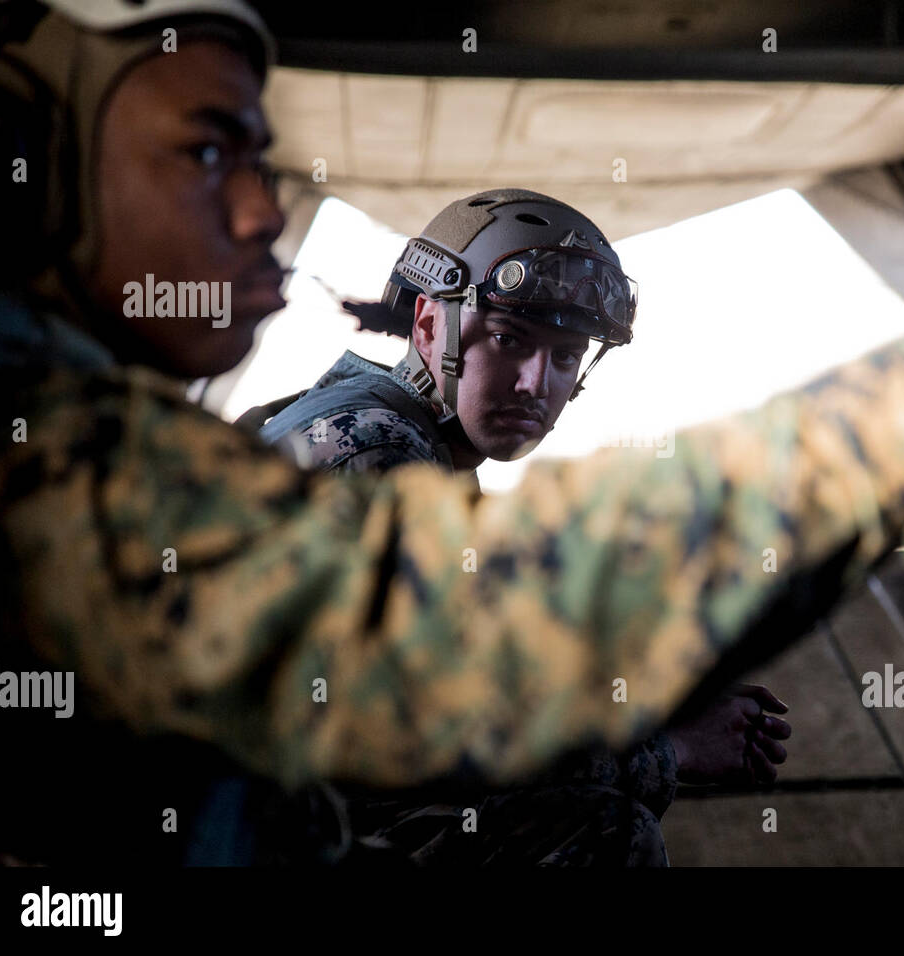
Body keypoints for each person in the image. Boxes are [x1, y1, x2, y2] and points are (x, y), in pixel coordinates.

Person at [0, 0, 904, 866]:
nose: (255, 209)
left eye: (568, 353)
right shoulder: (238, 450)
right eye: (206, 151)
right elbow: (457, 646)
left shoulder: (103, 415)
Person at [246, 189, 794, 865]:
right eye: (510, 340)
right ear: (427, 328)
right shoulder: (375, 450)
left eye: (566, 356)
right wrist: (669, 747)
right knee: (604, 832)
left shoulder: (397, 434)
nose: (536, 383)